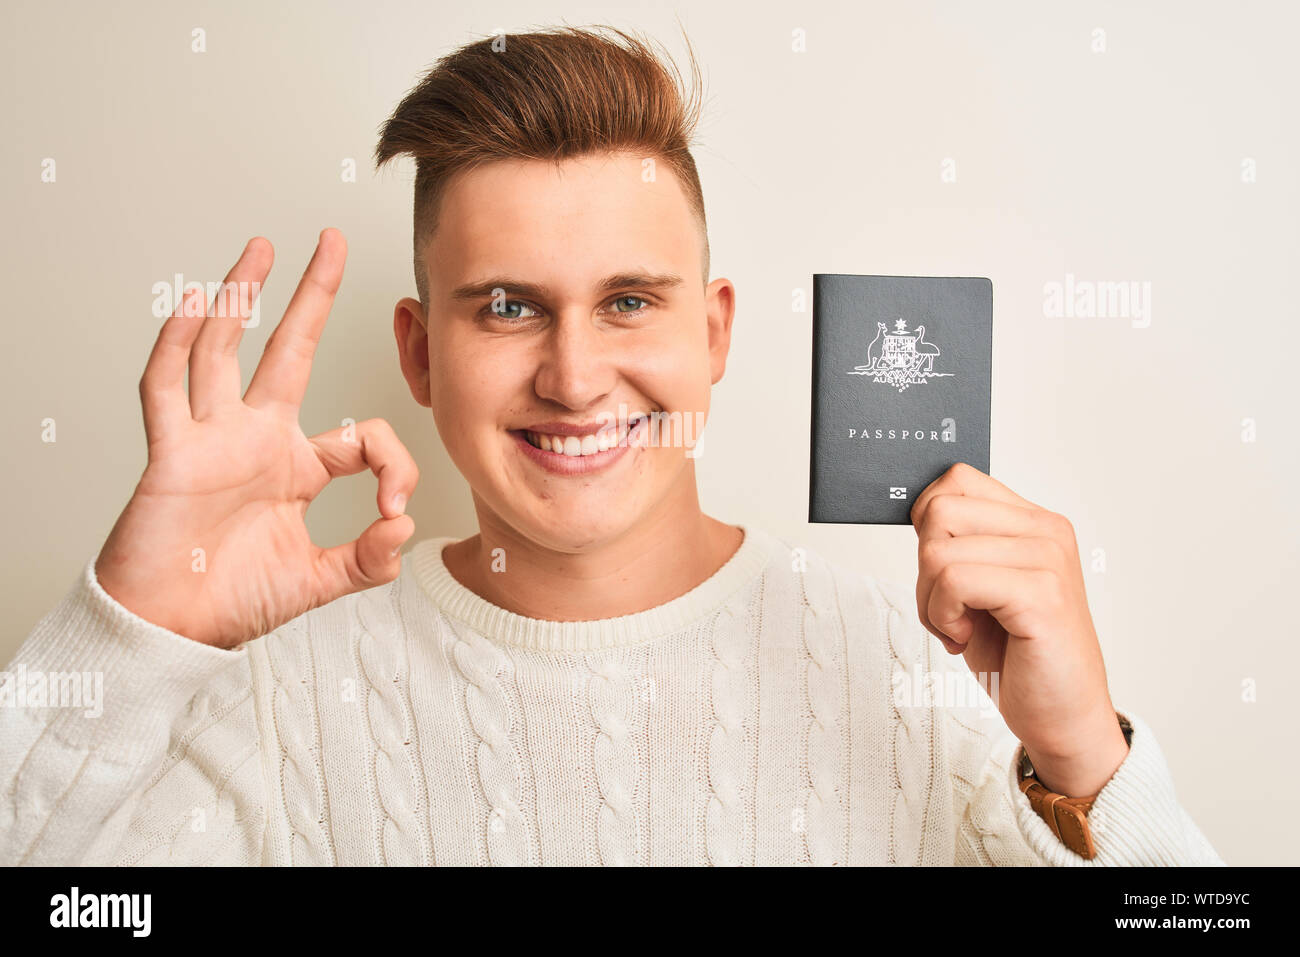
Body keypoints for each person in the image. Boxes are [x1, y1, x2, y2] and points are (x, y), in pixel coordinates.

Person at [1, 25, 1221, 866]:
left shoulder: (923, 677)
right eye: (509, 306)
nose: (577, 378)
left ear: (715, 331)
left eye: (630, 300)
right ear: (420, 355)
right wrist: (129, 630)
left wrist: (1086, 759)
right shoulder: (283, 706)